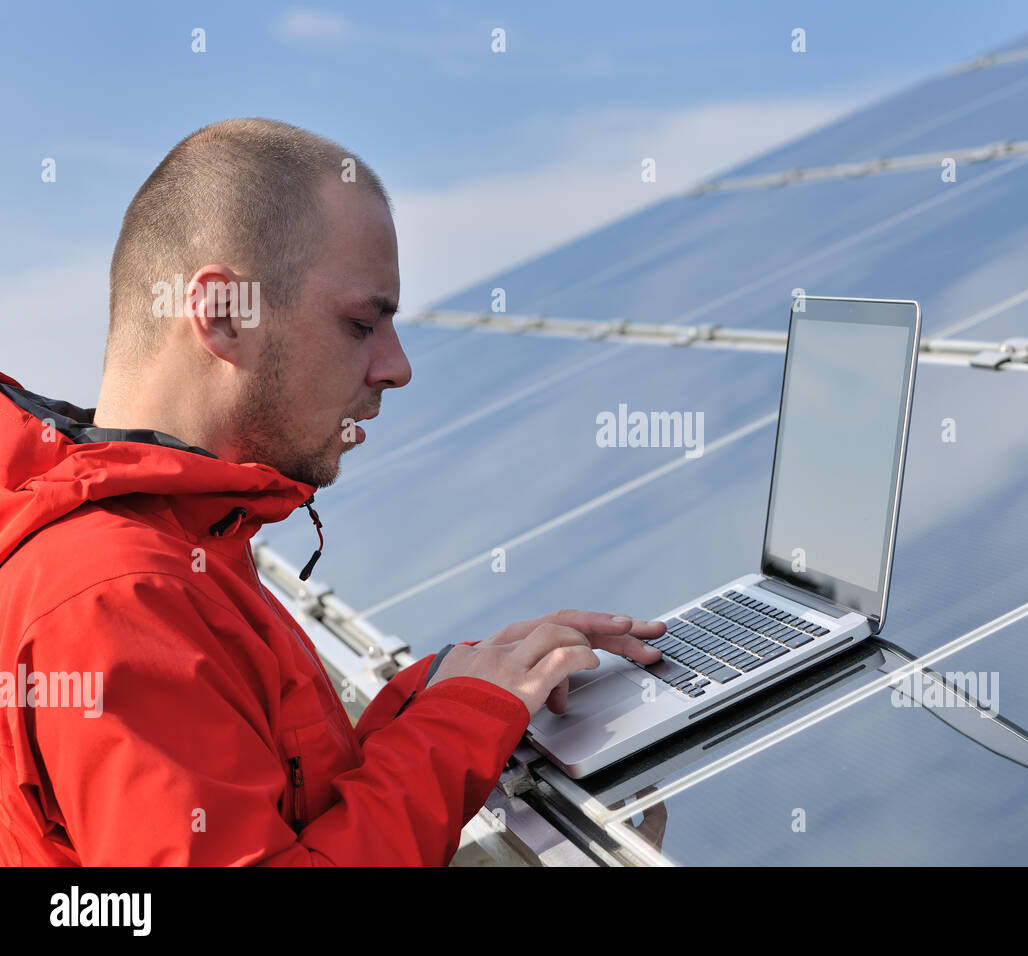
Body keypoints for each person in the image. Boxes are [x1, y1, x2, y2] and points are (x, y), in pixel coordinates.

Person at [0, 117, 664, 866]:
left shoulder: (181, 543)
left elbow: (292, 816)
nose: (397, 367)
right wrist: (456, 730)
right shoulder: (115, 600)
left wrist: (453, 690)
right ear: (224, 316)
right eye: (360, 324)